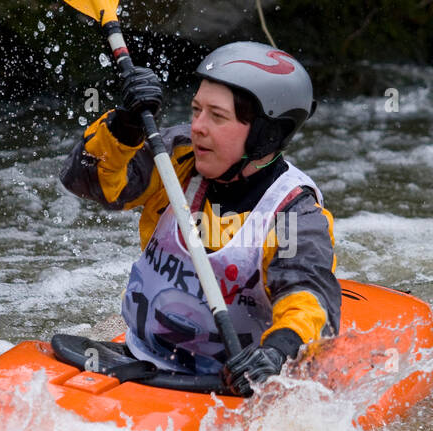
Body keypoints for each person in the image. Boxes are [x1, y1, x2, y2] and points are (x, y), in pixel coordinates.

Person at [60, 41, 340, 396]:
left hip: (231, 381)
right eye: (196, 110)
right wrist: (123, 128)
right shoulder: (176, 158)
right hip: (141, 355)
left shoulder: (292, 213)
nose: (197, 127)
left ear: (264, 134)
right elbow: (89, 184)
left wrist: (277, 353)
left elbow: (308, 295)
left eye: (217, 116)